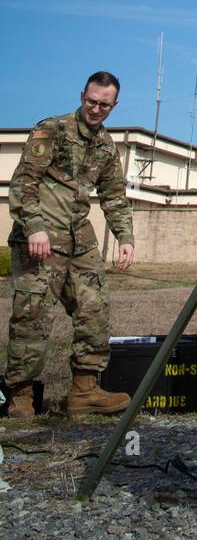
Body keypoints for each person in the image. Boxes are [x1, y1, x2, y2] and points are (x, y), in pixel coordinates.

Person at [4, 71, 134, 419]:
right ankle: (20, 398)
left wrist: (125, 237)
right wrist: (34, 227)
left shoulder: (107, 146)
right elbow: (23, 182)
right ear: (82, 96)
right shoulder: (53, 130)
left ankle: (84, 392)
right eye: (91, 101)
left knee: (95, 309)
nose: (96, 109)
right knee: (32, 318)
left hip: (78, 239)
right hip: (41, 239)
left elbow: (114, 197)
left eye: (104, 105)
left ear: (113, 106)